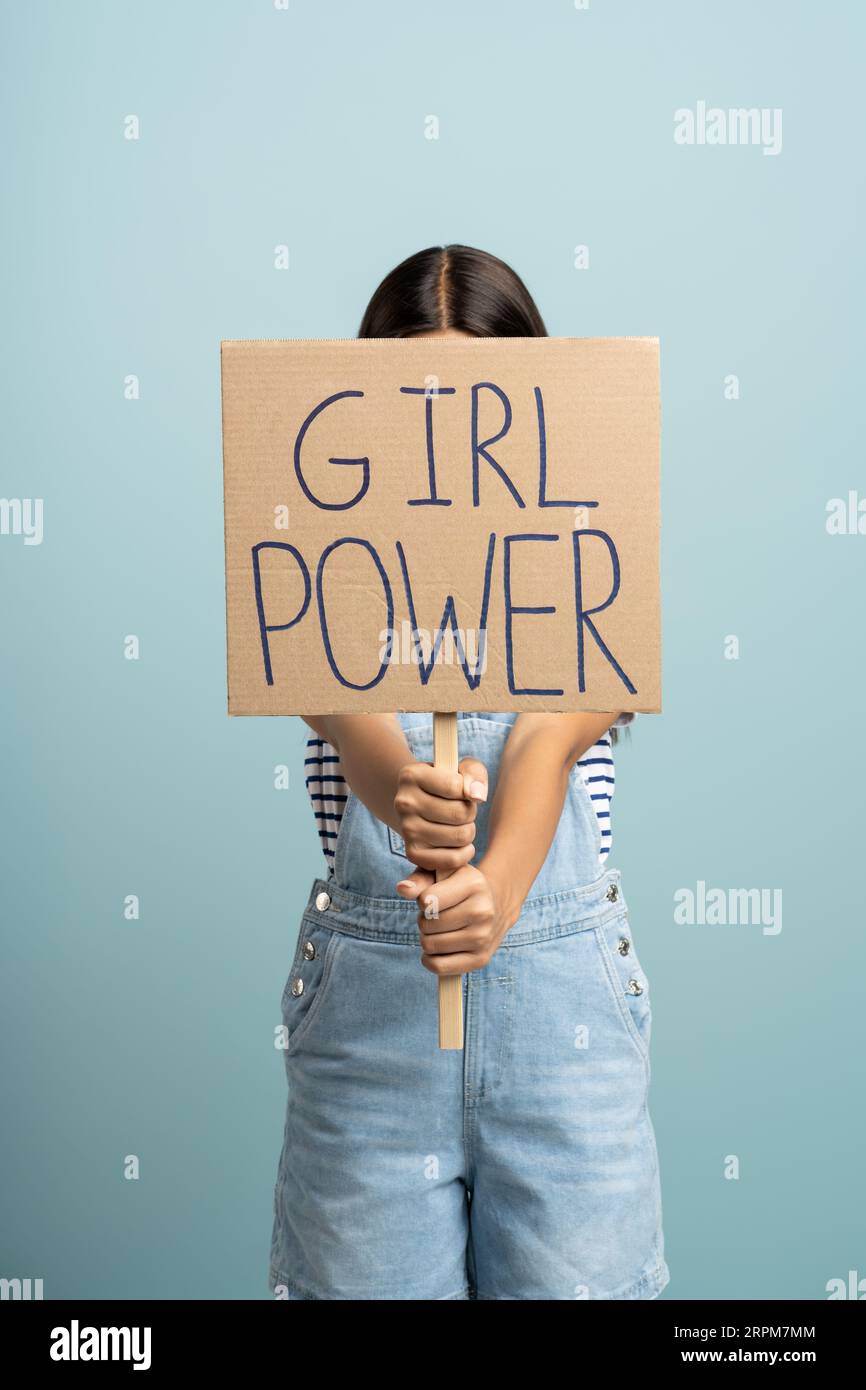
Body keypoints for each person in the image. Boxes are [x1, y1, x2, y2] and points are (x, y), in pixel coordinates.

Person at [269, 244, 670, 1301]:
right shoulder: (329, 574)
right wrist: (396, 777)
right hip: (373, 1042)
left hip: (564, 1045)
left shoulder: (584, 566)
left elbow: (546, 736)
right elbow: (341, 712)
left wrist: (499, 881)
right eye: (411, 407)